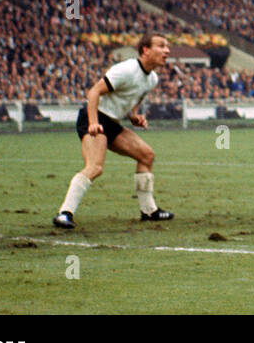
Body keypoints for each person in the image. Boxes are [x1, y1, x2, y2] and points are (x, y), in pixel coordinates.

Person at [53, 32, 175, 228]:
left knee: (146, 156)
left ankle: (149, 211)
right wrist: (93, 123)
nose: (167, 50)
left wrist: (134, 116)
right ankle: (64, 213)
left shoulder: (152, 79)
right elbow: (94, 92)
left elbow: (132, 99)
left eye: (167, 46)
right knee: (95, 167)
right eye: (161, 46)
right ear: (145, 50)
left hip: (112, 123)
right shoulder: (127, 69)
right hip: (94, 117)